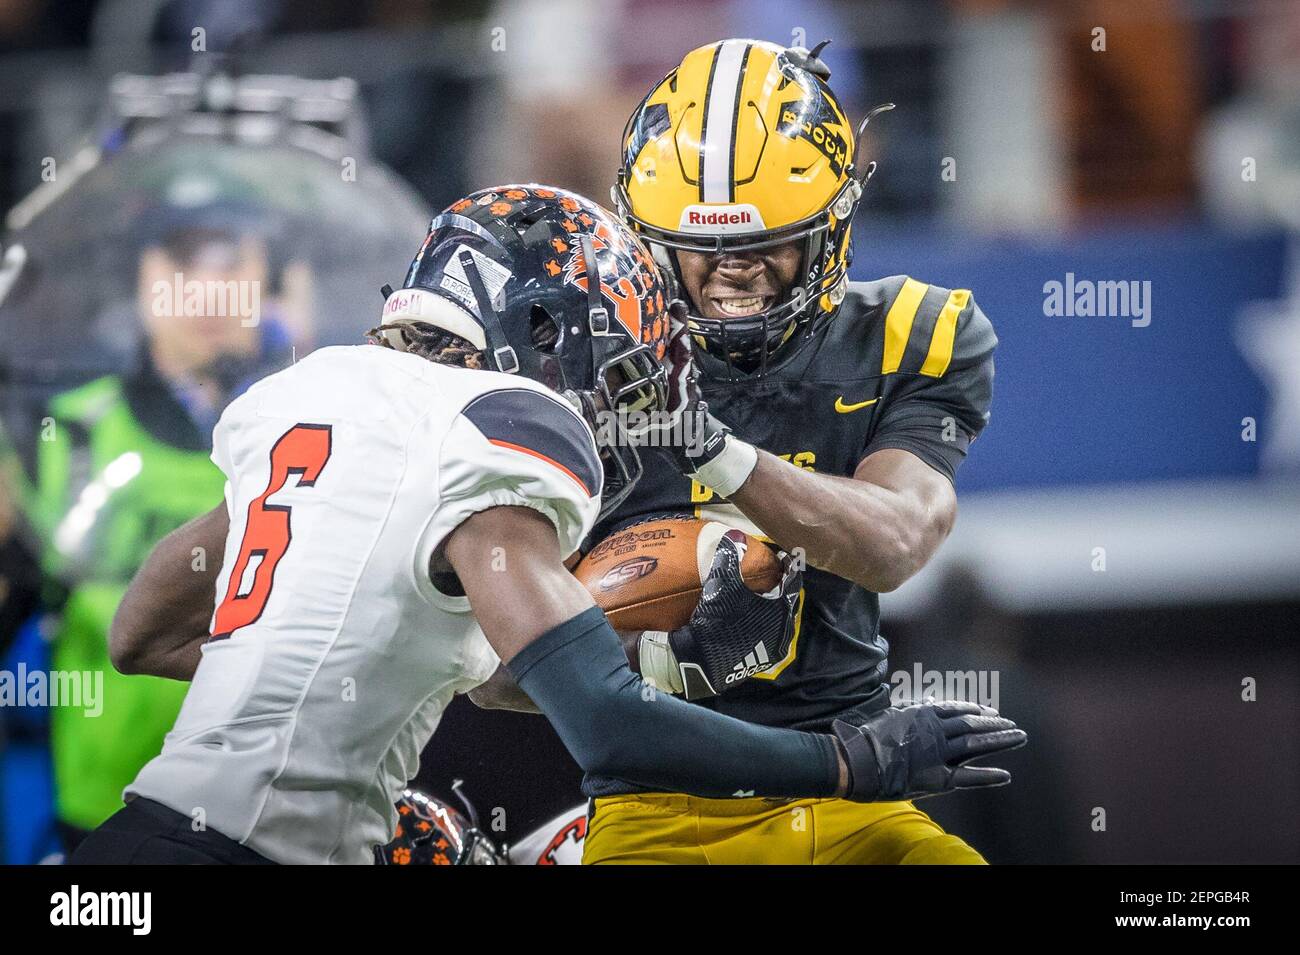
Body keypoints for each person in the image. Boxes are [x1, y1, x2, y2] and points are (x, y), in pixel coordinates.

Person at [69, 185, 1024, 864]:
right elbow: (608, 729)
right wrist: (853, 759)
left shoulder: (311, 394)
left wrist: (360, 683)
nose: (600, 385)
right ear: (540, 324)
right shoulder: (493, 427)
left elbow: (141, 632)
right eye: (601, 344)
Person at [585, 39, 1007, 864]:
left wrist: (713, 453)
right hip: (657, 810)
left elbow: (892, 543)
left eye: (766, 243)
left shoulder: (909, 334)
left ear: (834, 228)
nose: (730, 274)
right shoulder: (577, 366)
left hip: (852, 801)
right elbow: (489, 664)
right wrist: (661, 659)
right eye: (699, 245)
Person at [24, 211, 297, 849]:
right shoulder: (60, 430)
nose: (206, 293)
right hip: (96, 818)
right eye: (180, 266)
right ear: (144, 278)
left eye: (229, 266)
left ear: (268, 280)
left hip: (266, 827)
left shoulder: (309, 433)